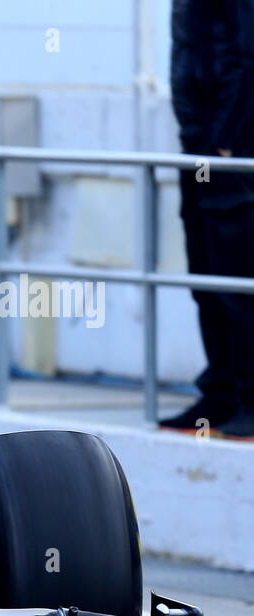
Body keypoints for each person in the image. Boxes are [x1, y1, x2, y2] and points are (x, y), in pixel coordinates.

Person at [164, 0, 254, 438]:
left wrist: (225, 141)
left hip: (226, 150)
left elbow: (245, 56)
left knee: (237, 281)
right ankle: (220, 392)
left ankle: (250, 399)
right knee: (206, 277)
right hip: (197, 145)